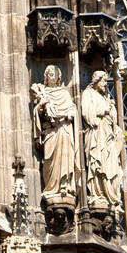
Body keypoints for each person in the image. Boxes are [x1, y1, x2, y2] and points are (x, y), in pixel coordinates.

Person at [31, 66, 79, 201]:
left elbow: (72, 110)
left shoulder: (64, 94)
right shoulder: (43, 93)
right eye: (49, 74)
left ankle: (65, 185)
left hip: (63, 130)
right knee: (49, 160)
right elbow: (37, 113)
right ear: (46, 77)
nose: (51, 76)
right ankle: (52, 187)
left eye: (54, 74)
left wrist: (66, 114)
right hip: (50, 132)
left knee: (65, 157)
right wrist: (41, 105)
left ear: (58, 77)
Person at [81, 71, 123, 207]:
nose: (106, 83)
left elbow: (112, 119)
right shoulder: (88, 94)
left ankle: (109, 196)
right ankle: (97, 193)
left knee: (110, 165)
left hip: (107, 135)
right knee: (97, 163)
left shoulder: (105, 98)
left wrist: (112, 111)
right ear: (96, 81)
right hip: (96, 134)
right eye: (104, 80)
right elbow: (87, 113)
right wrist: (103, 110)